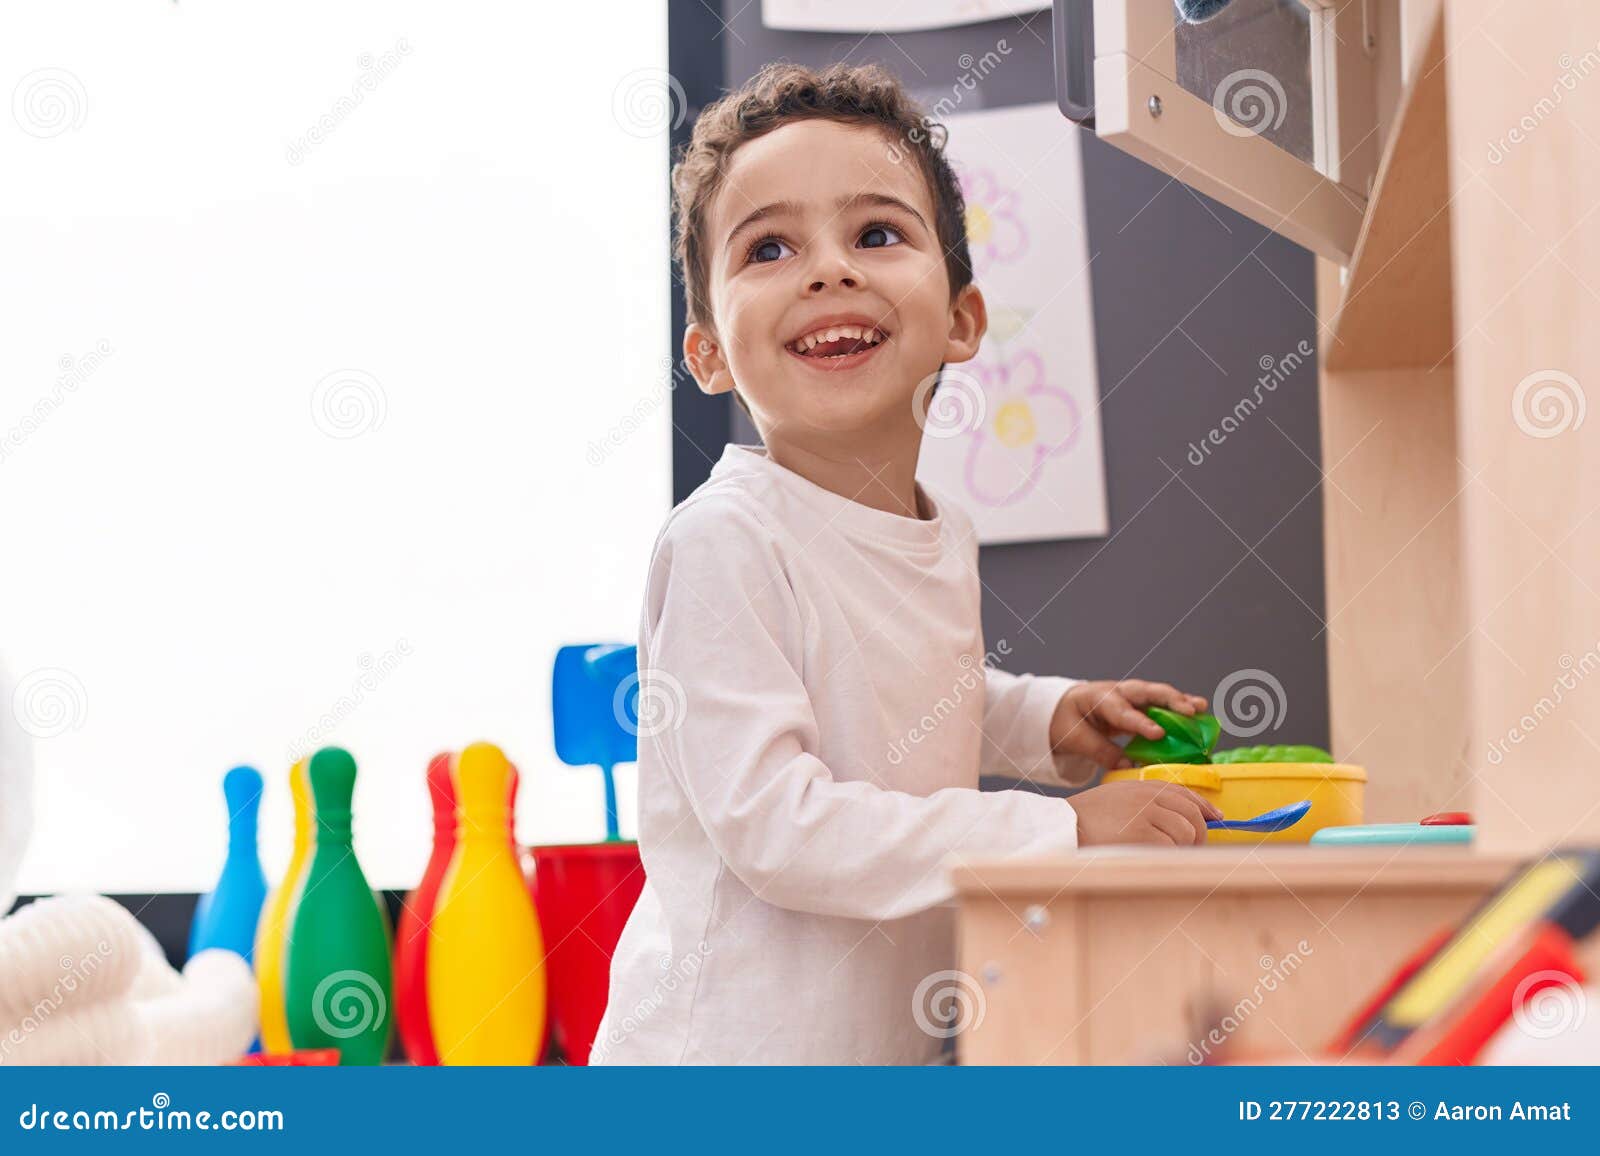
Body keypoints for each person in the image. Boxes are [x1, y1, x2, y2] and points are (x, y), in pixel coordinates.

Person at [592, 62, 1218, 1066]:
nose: (828, 270)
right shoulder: (724, 543)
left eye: (876, 233)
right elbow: (779, 825)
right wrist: (1061, 832)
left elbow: (912, 691)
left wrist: (1050, 717)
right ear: (707, 354)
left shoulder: (939, 531)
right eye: (768, 247)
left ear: (962, 320)